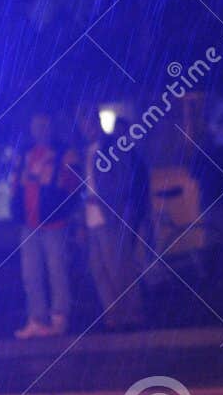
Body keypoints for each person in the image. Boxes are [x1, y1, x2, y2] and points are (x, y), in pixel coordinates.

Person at [75, 105, 149, 330]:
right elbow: (84, 185)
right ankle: (114, 312)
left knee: (118, 266)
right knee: (98, 267)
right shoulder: (85, 151)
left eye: (89, 123)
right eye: (83, 124)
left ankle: (132, 312)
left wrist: (108, 201)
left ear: (96, 122)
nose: (87, 128)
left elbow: (123, 181)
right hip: (92, 216)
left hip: (110, 214)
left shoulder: (113, 146)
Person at [14, 110, 80, 338]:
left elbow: (73, 184)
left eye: (43, 125)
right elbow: (18, 183)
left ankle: (59, 317)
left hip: (54, 222)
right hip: (29, 224)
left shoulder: (63, 153)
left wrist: (66, 209)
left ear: (50, 127)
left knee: (56, 269)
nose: (39, 130)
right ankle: (37, 318)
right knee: (31, 272)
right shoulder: (26, 154)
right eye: (36, 126)